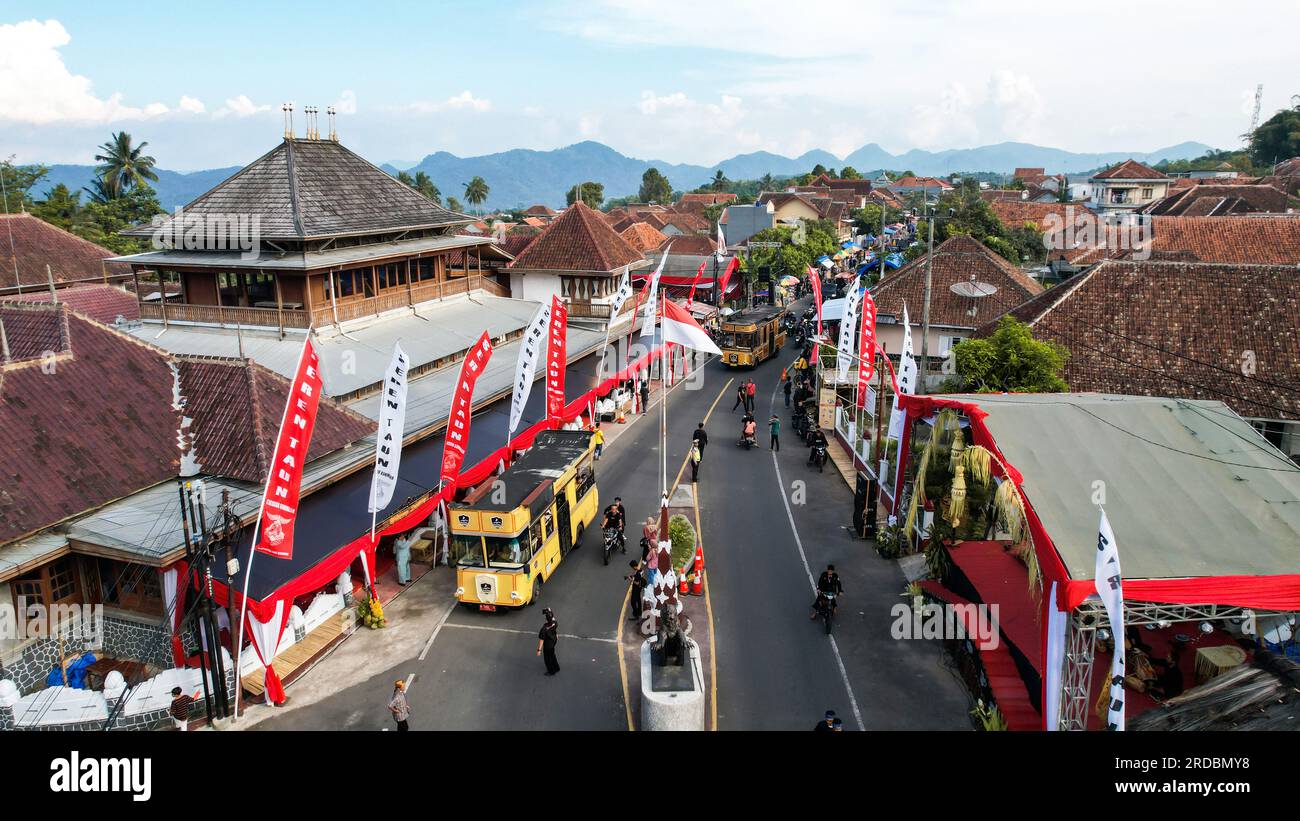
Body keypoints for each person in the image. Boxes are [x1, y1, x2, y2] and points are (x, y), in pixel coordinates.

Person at [537, 608, 560, 675]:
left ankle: (551, 671)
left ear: (546, 619)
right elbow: (553, 619)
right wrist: (550, 612)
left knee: (547, 659)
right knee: (552, 655)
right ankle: (557, 667)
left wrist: (539, 650)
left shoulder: (544, 629)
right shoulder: (555, 623)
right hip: (553, 642)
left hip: (547, 646)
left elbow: (541, 640)